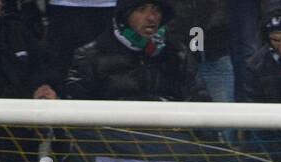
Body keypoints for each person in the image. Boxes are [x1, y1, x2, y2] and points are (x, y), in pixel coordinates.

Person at [62, 0, 211, 102]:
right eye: (141, 10)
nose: (151, 18)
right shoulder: (90, 56)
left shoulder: (178, 53)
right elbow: (77, 118)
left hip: (172, 140)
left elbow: (200, 99)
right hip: (114, 142)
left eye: (156, 10)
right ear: (125, 15)